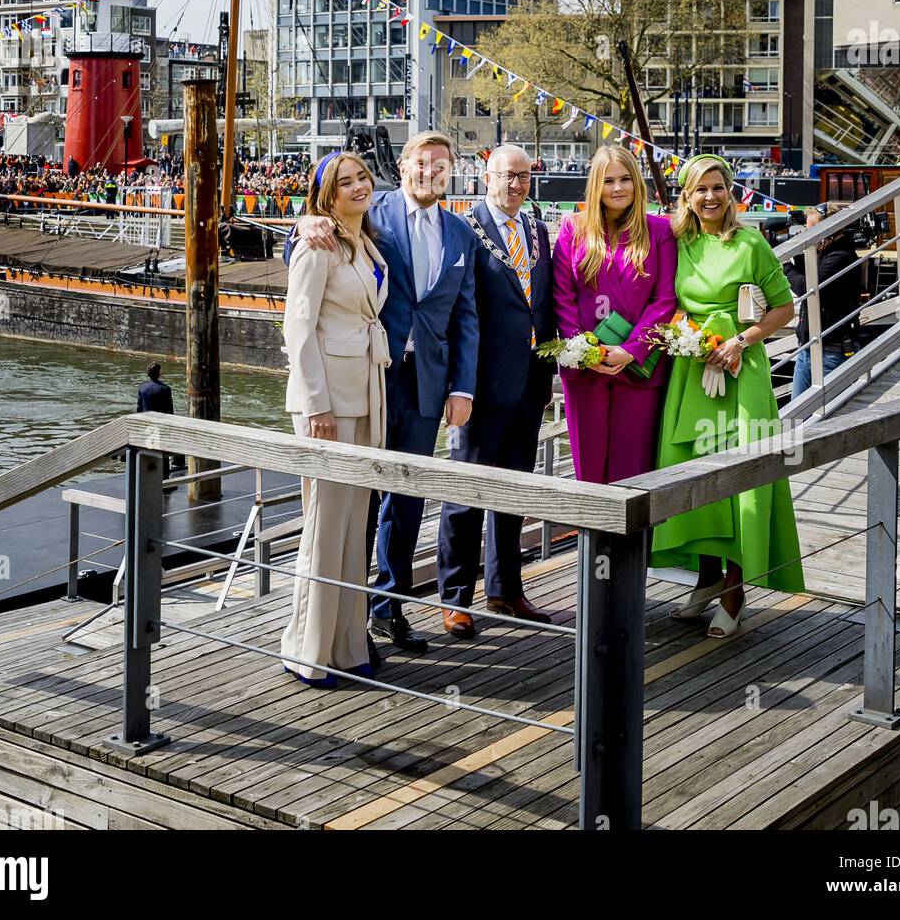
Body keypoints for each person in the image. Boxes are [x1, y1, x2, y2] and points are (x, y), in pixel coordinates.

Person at [289, 131, 478, 653]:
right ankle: (348, 614)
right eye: (422, 164)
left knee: (407, 494)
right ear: (404, 165)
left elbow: (466, 317)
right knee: (358, 495)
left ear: (451, 172)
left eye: (441, 166)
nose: (431, 174)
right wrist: (301, 223)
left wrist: (462, 387)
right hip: (371, 378)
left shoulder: (461, 234)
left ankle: (386, 605)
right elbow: (311, 240)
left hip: (429, 384)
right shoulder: (373, 210)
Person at [651, 154, 803, 639]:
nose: (711, 197)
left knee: (741, 481)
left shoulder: (751, 242)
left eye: (718, 188)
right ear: (687, 197)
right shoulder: (679, 242)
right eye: (701, 190)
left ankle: (736, 591)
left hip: (742, 373)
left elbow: (785, 307)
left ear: (730, 192)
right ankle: (706, 579)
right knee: (694, 478)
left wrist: (741, 340)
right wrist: (687, 335)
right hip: (691, 374)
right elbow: (668, 303)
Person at [436, 143, 556, 637]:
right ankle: (455, 596)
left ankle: (506, 588)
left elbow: (543, 304)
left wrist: (546, 375)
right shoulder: (466, 229)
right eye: (507, 176)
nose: (516, 185)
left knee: (515, 488)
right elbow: (455, 311)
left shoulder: (538, 227)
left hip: (529, 380)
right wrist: (457, 385)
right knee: (466, 492)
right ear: (487, 176)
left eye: (524, 176)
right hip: (481, 384)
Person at [280, 151, 390, 688]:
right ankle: (306, 647)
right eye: (344, 182)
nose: (357, 187)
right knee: (324, 528)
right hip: (328, 403)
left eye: (362, 177)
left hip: (367, 393)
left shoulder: (363, 241)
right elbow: (297, 329)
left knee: (352, 528)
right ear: (326, 195)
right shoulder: (317, 244)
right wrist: (315, 402)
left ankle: (346, 643)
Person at [552, 146, 678, 483]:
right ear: (596, 185)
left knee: (633, 470)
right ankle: (591, 536)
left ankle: (631, 539)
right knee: (589, 470)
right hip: (587, 368)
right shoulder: (572, 230)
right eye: (608, 181)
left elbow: (665, 300)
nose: (617, 188)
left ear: (637, 183)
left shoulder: (659, 231)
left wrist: (632, 349)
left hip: (638, 367)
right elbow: (563, 298)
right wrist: (584, 351)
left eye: (625, 179)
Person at [790, 204, 861, 398]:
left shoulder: (841, 257)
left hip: (831, 351)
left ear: (830, 230)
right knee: (794, 414)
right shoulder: (824, 254)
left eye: (813, 231)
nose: (809, 236)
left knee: (825, 417)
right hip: (807, 348)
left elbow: (808, 288)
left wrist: (785, 267)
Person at [136, 361, 180, 476]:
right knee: (162, 450)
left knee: (146, 448)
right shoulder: (165, 389)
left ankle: (146, 473)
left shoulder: (142, 388)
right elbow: (169, 410)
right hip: (160, 424)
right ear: (159, 373)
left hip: (146, 423)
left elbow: (139, 408)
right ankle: (164, 476)